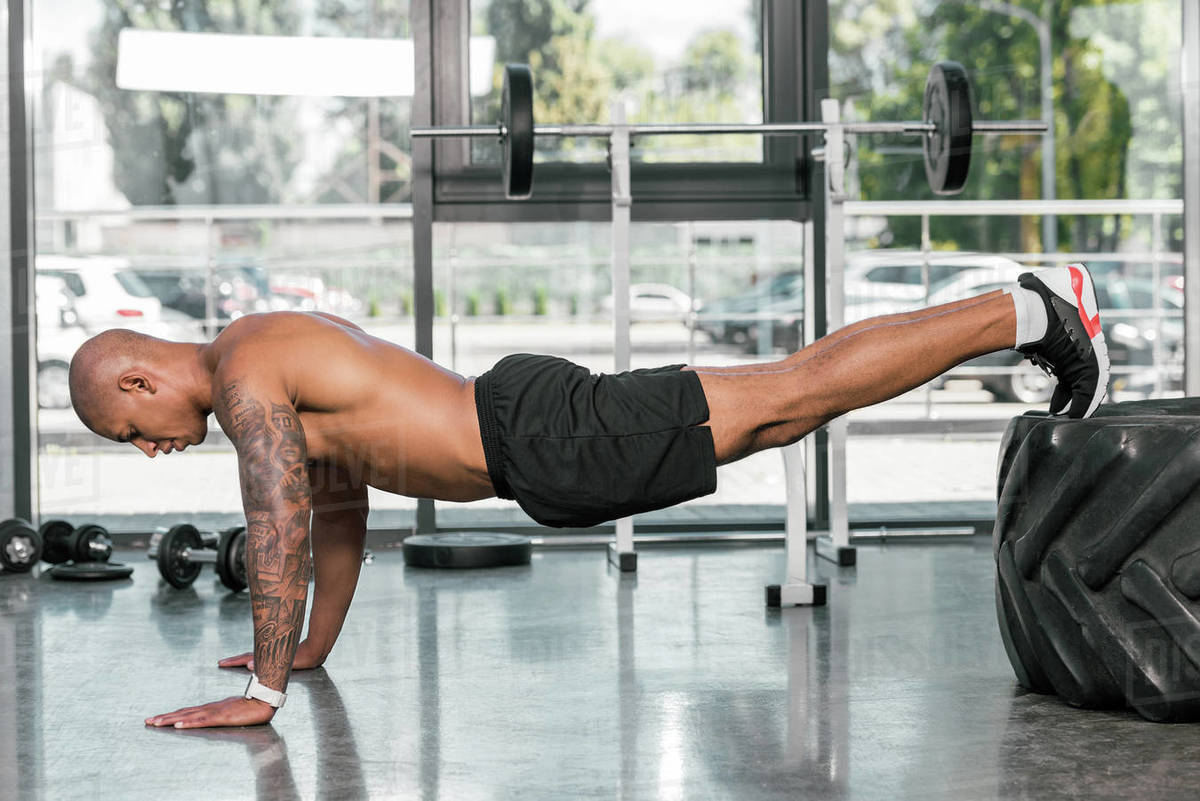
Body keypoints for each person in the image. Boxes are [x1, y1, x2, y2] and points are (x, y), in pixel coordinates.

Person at [66, 263, 1107, 729]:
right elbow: (336, 516)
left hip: (541, 435)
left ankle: (1021, 312)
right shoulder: (270, 366)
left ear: (140, 380)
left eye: (129, 431)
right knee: (788, 400)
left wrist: (261, 697)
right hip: (533, 438)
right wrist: (301, 651)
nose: (147, 452)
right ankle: (1019, 312)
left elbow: (279, 518)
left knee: (790, 395)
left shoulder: (249, 376)